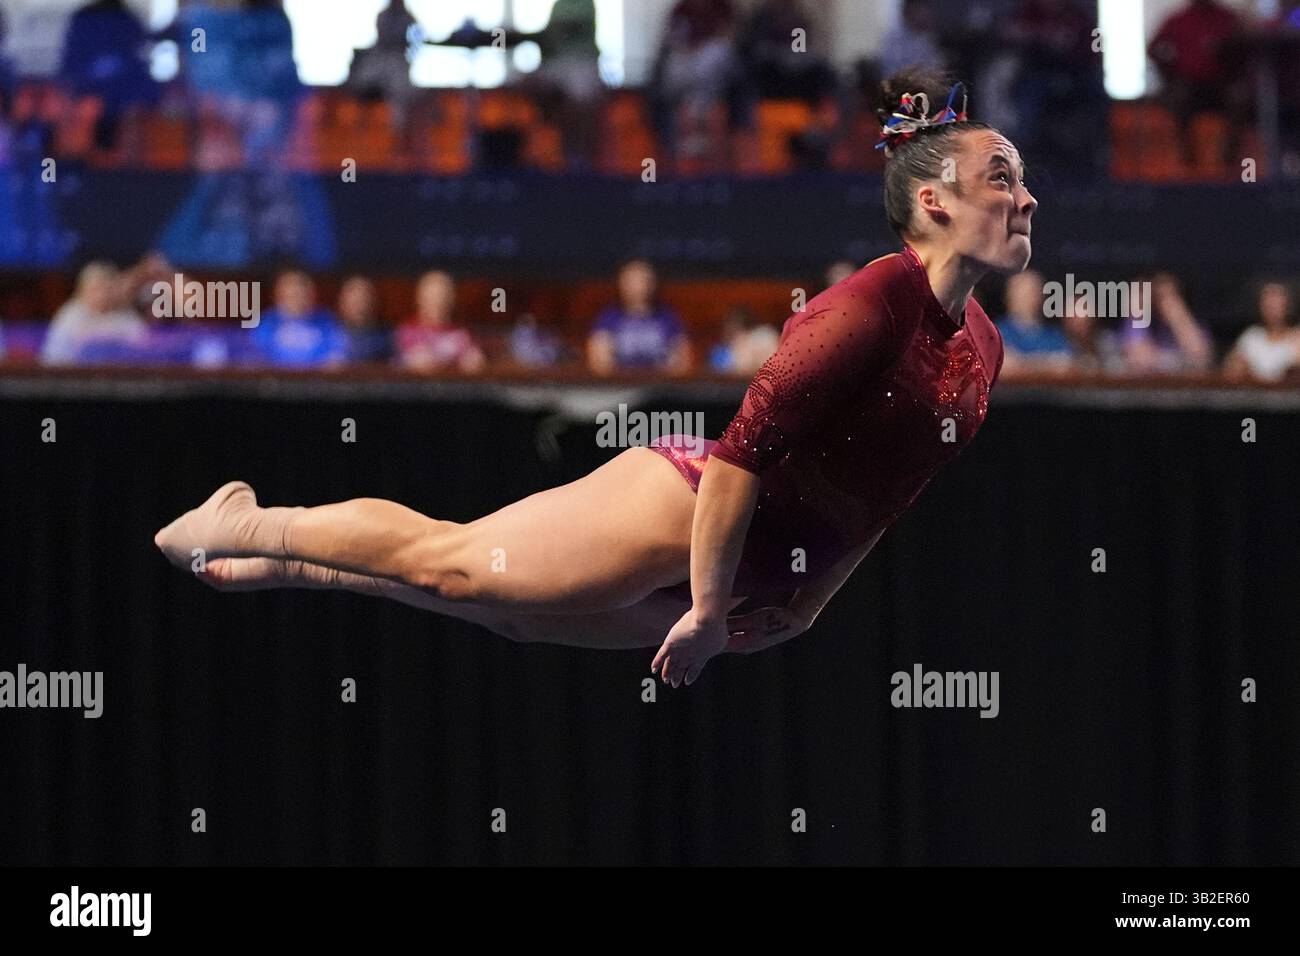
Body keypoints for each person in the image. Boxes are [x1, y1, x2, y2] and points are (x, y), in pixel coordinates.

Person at [154, 66, 1032, 688]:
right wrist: (706, 606)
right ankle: (252, 521)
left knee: (513, 616)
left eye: (1023, 181)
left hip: (758, 574)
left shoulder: (983, 346)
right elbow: (737, 459)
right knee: (461, 566)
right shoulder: (871, 302)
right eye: (1003, 178)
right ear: (934, 202)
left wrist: (811, 602)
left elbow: (892, 493)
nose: (1026, 199)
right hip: (688, 513)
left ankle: (299, 571)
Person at [40, 258, 161, 365]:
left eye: (108, 288)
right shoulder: (71, 315)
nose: (103, 294)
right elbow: (55, 358)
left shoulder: (125, 316)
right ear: (83, 290)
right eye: (97, 288)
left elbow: (143, 351)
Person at [587, 259, 692, 375]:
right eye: (631, 281)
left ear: (653, 284)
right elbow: (599, 362)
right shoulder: (608, 318)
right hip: (619, 386)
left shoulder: (668, 318)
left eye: (643, 280)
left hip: (661, 385)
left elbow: (683, 360)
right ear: (621, 283)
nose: (638, 286)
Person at [251, 270, 348, 368]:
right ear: (278, 293)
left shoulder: (327, 321)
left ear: (312, 292)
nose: (297, 294)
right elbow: (256, 358)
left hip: (317, 381)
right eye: (290, 288)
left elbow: (337, 355)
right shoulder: (265, 324)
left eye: (301, 287)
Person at [395, 271, 486, 373]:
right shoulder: (406, 332)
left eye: (442, 296)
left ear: (451, 299)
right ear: (419, 299)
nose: (438, 302)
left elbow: (475, 360)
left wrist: (474, 359)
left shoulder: (462, 333)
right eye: (431, 297)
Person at [1122, 272, 1214, 373]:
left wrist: (1176, 314)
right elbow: (1141, 362)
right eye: (1155, 296)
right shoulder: (1135, 323)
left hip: (1185, 386)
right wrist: (1138, 310)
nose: (1159, 301)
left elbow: (1201, 360)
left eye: (1169, 295)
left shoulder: (1194, 324)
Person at [995, 269, 1072, 373]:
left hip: (1048, 389)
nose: (1028, 297)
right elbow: (1004, 366)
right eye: (1022, 292)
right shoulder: (996, 333)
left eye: (1033, 292)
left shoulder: (1054, 335)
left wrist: (1021, 362)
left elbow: (1064, 363)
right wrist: (1046, 362)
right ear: (1008, 296)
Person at [1224, 281, 1300, 382]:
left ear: (1288, 304)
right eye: (1268, 303)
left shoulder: (1297, 337)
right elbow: (1231, 372)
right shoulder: (1251, 337)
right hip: (1254, 394)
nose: (1272, 308)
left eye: (1276, 303)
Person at [337, 275, 393, 363]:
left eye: (364, 298)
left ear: (374, 301)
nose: (360, 304)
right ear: (342, 302)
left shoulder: (387, 336)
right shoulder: (331, 334)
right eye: (355, 300)